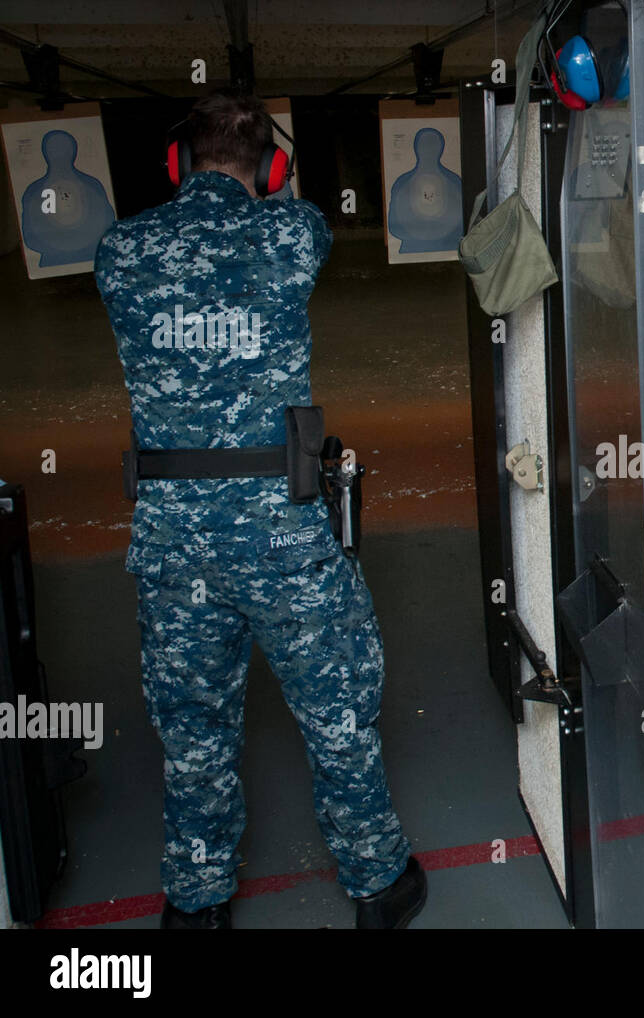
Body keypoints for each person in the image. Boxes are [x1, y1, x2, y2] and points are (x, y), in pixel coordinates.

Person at [94, 89, 425, 929]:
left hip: (172, 540)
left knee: (193, 733)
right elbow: (294, 211)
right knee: (338, 711)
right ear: (273, 169)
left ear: (174, 163)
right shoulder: (293, 232)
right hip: (281, 532)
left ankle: (197, 905)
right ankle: (379, 884)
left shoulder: (120, 249)